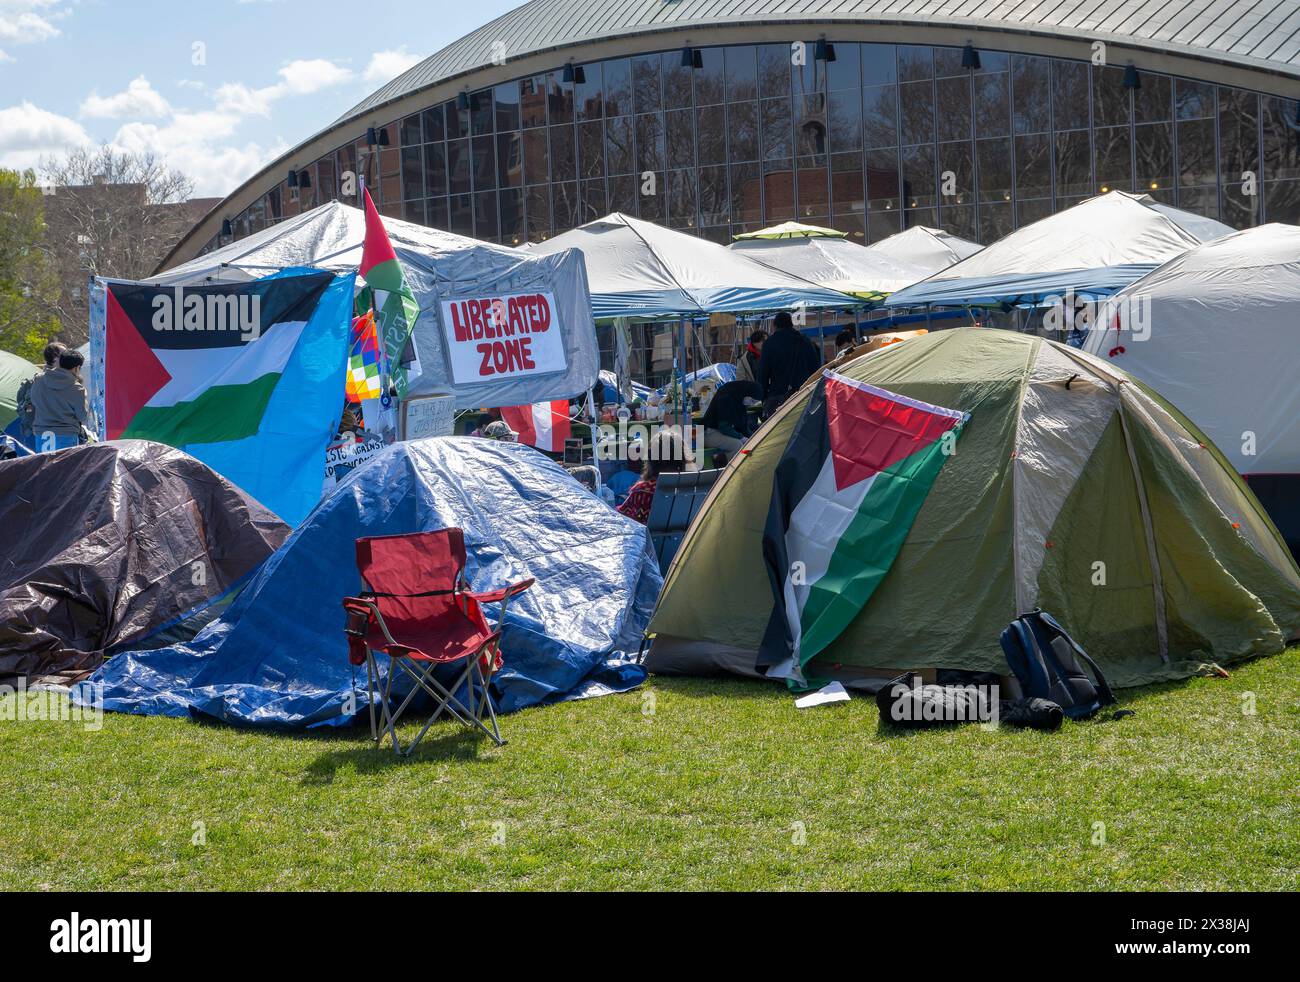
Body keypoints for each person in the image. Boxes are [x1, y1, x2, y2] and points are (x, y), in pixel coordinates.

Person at [616, 428, 691, 525]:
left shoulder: (642, 492)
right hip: (686, 538)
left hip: (649, 539)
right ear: (681, 458)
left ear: (651, 459)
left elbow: (624, 519)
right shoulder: (691, 488)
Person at [758, 311, 820, 417]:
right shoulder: (805, 341)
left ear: (775, 325)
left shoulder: (770, 343)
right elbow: (815, 368)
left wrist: (762, 396)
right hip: (803, 394)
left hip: (777, 394)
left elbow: (763, 373)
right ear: (791, 323)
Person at [29, 348, 89, 451]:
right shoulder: (77, 389)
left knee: (44, 466)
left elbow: (33, 401)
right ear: (77, 368)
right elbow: (82, 416)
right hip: (66, 434)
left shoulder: (39, 380)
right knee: (65, 466)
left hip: (42, 433)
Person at [15, 341, 66, 445]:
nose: (69, 358)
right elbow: (30, 407)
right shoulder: (40, 381)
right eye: (64, 355)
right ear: (54, 358)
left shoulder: (66, 379)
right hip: (44, 436)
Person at [700, 378, 761, 455]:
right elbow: (724, 427)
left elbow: (743, 427)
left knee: (748, 443)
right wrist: (741, 437)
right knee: (736, 445)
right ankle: (734, 467)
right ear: (747, 394)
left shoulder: (739, 399)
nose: (751, 404)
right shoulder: (726, 398)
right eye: (752, 401)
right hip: (708, 433)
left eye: (754, 403)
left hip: (720, 432)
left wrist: (753, 438)